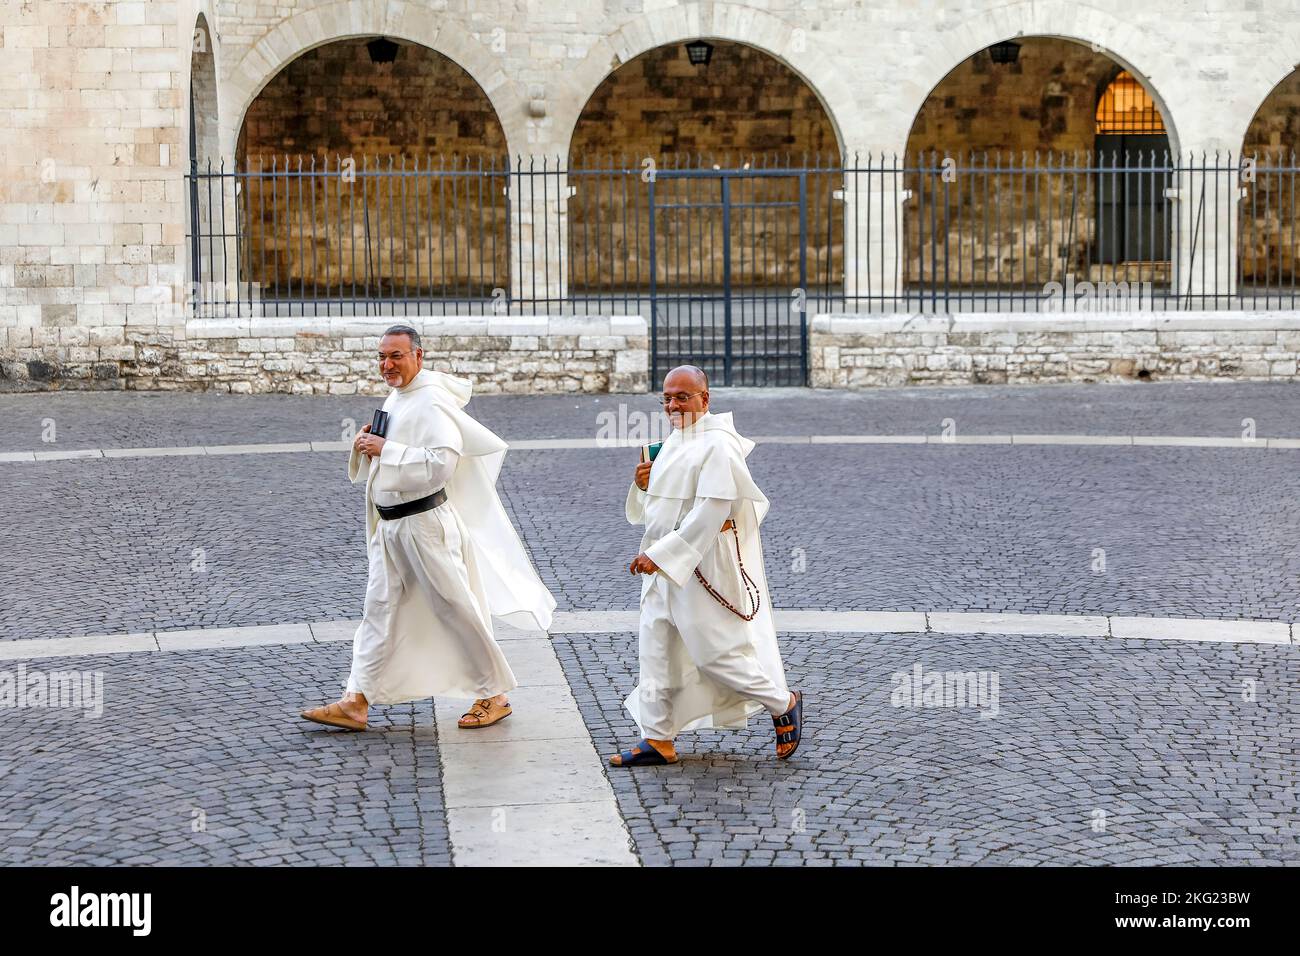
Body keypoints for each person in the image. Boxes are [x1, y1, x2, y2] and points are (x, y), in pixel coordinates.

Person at [301, 325, 555, 732]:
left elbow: (442, 463)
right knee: (378, 612)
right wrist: (368, 443)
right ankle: (356, 700)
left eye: (396, 356)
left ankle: (494, 695)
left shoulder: (432, 401)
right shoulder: (399, 396)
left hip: (424, 526)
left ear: (419, 356)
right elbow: (395, 451)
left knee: (454, 608)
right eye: (382, 357)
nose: (387, 365)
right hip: (391, 528)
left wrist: (388, 450)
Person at [612, 365, 803, 767]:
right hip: (662, 564)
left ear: (705, 398)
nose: (672, 405)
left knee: (714, 651)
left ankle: (783, 702)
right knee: (656, 647)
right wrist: (644, 484)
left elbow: (712, 511)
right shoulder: (676, 440)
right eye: (666, 397)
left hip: (702, 562)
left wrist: (662, 555)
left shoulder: (719, 444)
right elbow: (660, 506)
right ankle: (658, 739)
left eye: (682, 396)